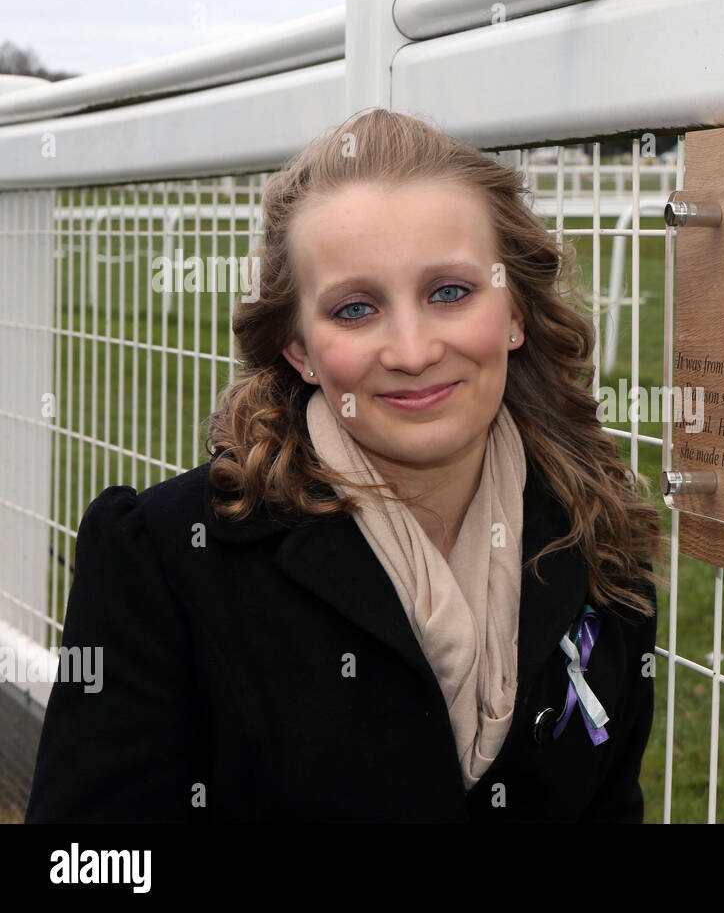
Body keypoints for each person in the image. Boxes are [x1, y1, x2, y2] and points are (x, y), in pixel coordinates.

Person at [25, 108, 664, 823]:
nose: (412, 350)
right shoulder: (164, 561)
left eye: (449, 292)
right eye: (356, 309)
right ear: (298, 347)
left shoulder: (601, 550)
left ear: (514, 311)